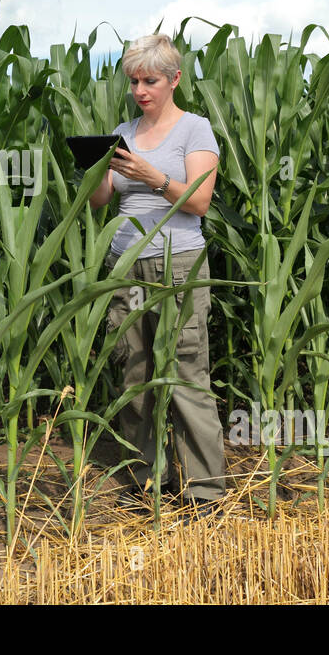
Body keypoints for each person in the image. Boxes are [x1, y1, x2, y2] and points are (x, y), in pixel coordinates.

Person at [87, 32, 225, 511]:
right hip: (126, 264)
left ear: (174, 80)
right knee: (135, 370)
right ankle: (148, 481)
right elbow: (101, 200)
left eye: (150, 81)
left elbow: (200, 201)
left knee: (186, 371)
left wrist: (153, 176)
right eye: (134, 82)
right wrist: (96, 170)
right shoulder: (123, 131)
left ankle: (205, 491)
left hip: (178, 264)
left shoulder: (195, 130)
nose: (140, 90)